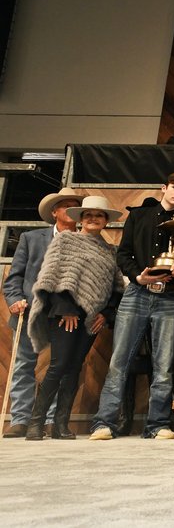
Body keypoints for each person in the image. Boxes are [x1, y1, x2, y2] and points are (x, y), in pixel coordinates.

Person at [90, 173, 174, 440]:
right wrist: (138, 275)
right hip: (137, 292)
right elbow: (123, 253)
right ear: (164, 188)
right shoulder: (139, 216)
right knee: (119, 361)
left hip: (171, 296)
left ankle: (158, 424)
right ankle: (103, 423)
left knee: (164, 364)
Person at [24, 196, 124, 440]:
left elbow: (115, 288)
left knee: (74, 367)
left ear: (106, 221)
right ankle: (35, 424)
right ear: (80, 219)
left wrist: (105, 314)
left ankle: (61, 425)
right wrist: (67, 308)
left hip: (92, 319)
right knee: (59, 365)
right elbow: (53, 276)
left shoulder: (110, 251)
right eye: (88, 214)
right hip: (65, 314)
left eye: (98, 215)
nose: (93, 218)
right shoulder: (66, 241)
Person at [2, 187, 84, 438]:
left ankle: (49, 419)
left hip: (65, 315)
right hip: (31, 312)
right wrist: (15, 299)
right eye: (65, 205)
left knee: (60, 367)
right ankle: (21, 418)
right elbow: (14, 277)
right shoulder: (31, 238)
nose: (70, 210)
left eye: (74, 206)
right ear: (54, 211)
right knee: (24, 364)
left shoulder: (86, 242)